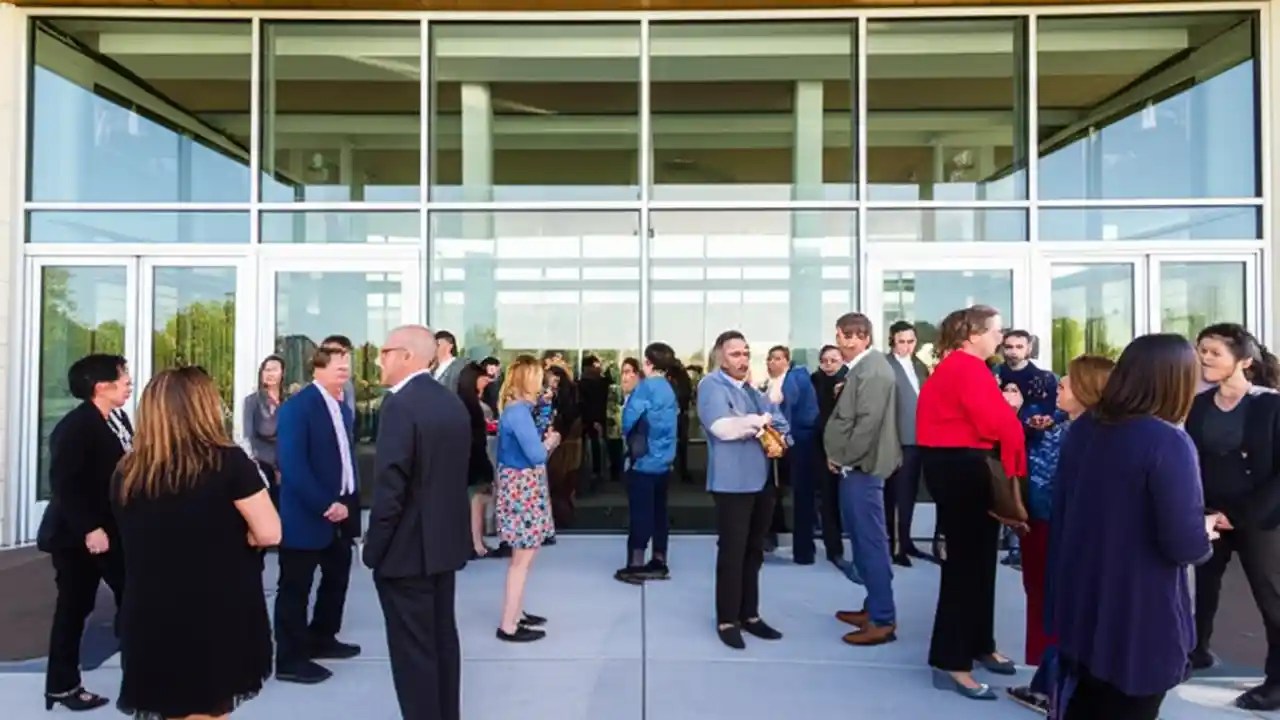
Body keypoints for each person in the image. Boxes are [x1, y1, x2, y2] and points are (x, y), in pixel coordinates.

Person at [1050, 334, 1222, 719]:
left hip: (1083, 604)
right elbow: (1185, 544)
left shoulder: (1085, 428)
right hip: (1139, 617)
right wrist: (1203, 530)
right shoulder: (1167, 442)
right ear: (1176, 380)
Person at [110, 367, 279, 720]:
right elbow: (269, 532)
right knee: (209, 706)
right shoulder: (228, 462)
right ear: (203, 407)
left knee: (173, 707)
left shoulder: (129, 471)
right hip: (215, 608)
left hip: (150, 609)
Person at [916, 305, 1026, 700]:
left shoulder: (957, 366)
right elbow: (993, 423)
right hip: (962, 469)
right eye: (997, 330)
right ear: (973, 334)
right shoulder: (967, 368)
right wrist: (1011, 412)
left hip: (958, 466)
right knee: (966, 567)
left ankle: (979, 643)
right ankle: (951, 661)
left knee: (979, 561)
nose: (1001, 337)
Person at [364, 325, 472, 720]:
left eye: (385, 351)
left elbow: (391, 487)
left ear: (407, 356)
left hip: (406, 552)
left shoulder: (400, 404)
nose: (380, 359)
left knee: (414, 659)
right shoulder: (450, 402)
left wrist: (373, 550)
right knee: (442, 644)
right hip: (443, 548)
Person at [1006, 354, 1114, 714]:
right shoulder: (1082, 428)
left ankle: (1049, 685)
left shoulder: (1079, 435)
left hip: (1050, 527)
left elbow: (1047, 483)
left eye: (1066, 383)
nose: (1059, 388)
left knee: (1049, 605)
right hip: (1049, 526)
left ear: (1086, 390)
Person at [1187, 323, 1280, 711]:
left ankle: (1276, 681)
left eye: (1214, 352)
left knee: (1271, 598)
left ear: (1243, 361)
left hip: (1261, 518)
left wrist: (1240, 515)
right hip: (1210, 514)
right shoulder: (1199, 404)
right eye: (1202, 350)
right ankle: (1196, 652)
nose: (1205, 358)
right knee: (1202, 588)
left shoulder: (1270, 404)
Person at [36, 354, 133, 712]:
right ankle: (62, 686)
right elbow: (65, 484)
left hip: (113, 531)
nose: (128, 382)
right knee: (75, 608)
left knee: (133, 598)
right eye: (123, 377)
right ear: (100, 386)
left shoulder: (117, 419)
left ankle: (139, 676)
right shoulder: (76, 427)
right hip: (78, 537)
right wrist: (90, 528)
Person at [274, 346, 363, 684]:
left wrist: (350, 501)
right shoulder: (298, 408)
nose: (344, 368)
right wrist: (325, 504)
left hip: (342, 511)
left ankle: (323, 637)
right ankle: (290, 659)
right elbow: (293, 465)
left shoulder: (342, 408)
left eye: (347, 362)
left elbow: (344, 456)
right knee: (295, 588)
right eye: (336, 362)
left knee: (336, 578)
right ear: (318, 367)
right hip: (307, 514)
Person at [698, 330, 791, 650]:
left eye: (746, 353)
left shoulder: (752, 389)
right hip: (731, 483)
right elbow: (723, 427)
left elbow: (779, 423)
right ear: (720, 356)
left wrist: (772, 429)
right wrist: (760, 421)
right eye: (735, 353)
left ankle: (750, 614)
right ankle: (727, 618)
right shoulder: (710, 386)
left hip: (761, 480)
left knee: (754, 551)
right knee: (732, 552)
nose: (742, 359)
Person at [824, 313, 901, 646]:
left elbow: (867, 424)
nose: (849, 340)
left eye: (856, 335)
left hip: (862, 468)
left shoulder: (873, 370)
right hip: (855, 467)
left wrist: (842, 456)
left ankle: (882, 619)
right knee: (861, 538)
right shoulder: (863, 368)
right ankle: (873, 606)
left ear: (867, 338)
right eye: (845, 335)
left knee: (870, 541)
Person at [494, 355, 560, 642]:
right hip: (523, 486)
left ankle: (516, 614)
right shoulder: (518, 412)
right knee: (522, 559)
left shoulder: (517, 410)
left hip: (520, 485)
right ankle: (508, 624)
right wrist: (551, 441)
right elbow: (536, 454)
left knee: (524, 557)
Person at [614, 343, 680, 584]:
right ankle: (660, 559)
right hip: (664, 460)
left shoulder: (646, 388)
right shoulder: (669, 388)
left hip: (643, 462)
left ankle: (636, 563)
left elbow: (629, 419)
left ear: (649, 362)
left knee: (640, 513)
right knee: (660, 513)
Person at [764, 346, 821, 564]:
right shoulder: (776, 382)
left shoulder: (795, 379)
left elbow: (787, 411)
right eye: (770, 358)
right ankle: (781, 540)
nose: (773, 363)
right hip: (788, 444)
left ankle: (804, 551)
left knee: (802, 497)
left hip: (799, 444)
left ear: (787, 361)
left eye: (778, 358)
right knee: (778, 492)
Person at [884, 321, 933, 567]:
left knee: (911, 493)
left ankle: (906, 540)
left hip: (920, 439)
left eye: (910, 341)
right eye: (901, 341)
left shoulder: (919, 365)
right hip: (897, 440)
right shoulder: (885, 365)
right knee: (896, 496)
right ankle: (894, 546)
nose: (906, 346)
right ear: (892, 340)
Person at [457, 361, 507, 559]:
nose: (487, 381)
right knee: (477, 498)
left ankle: (477, 540)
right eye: (483, 378)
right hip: (473, 455)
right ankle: (476, 543)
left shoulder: (467, 402)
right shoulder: (468, 405)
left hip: (474, 454)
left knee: (479, 497)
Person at [811, 344, 846, 564]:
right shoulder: (814, 381)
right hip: (821, 447)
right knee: (828, 500)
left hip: (849, 448)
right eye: (825, 361)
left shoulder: (851, 380)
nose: (829, 365)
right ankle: (834, 548)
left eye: (834, 360)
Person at [243, 354, 287, 507]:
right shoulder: (252, 401)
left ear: (283, 374)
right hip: (263, 463)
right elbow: (248, 436)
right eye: (265, 370)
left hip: (288, 463)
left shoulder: (290, 400)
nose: (269, 374)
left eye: (273, 370)